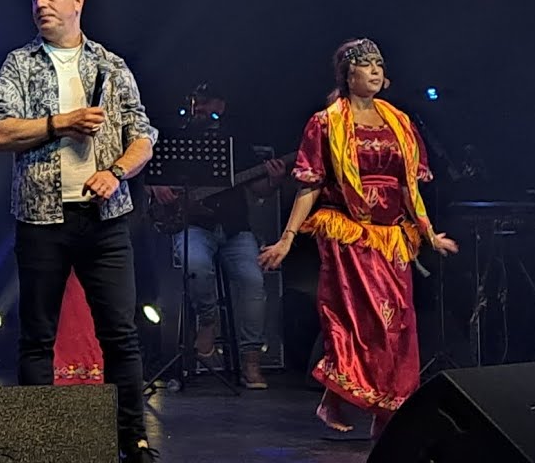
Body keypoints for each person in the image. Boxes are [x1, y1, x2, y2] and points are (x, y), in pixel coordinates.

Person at [0, 0, 158, 461]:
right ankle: (38, 443)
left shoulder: (111, 63)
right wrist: (60, 123)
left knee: (120, 335)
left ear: (77, 1)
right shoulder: (19, 64)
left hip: (103, 219)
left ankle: (134, 440)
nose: (40, 3)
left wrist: (117, 172)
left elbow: (144, 136)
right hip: (41, 218)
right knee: (37, 336)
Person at [258, 38, 457, 439]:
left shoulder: (400, 122)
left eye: (379, 64)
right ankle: (348, 398)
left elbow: (409, 188)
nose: (375, 71)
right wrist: (286, 239)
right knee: (361, 325)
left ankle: (388, 413)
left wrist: (428, 233)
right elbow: (309, 186)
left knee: (397, 325)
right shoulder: (326, 122)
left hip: (392, 238)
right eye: (366, 65)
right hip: (348, 233)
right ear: (348, 75)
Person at [149, 85, 287, 389]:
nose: (197, 107)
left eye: (205, 102)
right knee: (195, 264)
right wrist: (155, 187)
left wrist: (274, 180)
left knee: (253, 280)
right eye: (194, 101)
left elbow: (259, 188)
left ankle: (251, 361)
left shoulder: (238, 139)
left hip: (235, 228)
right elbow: (150, 172)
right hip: (194, 225)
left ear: (220, 105)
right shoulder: (176, 138)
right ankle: (208, 320)